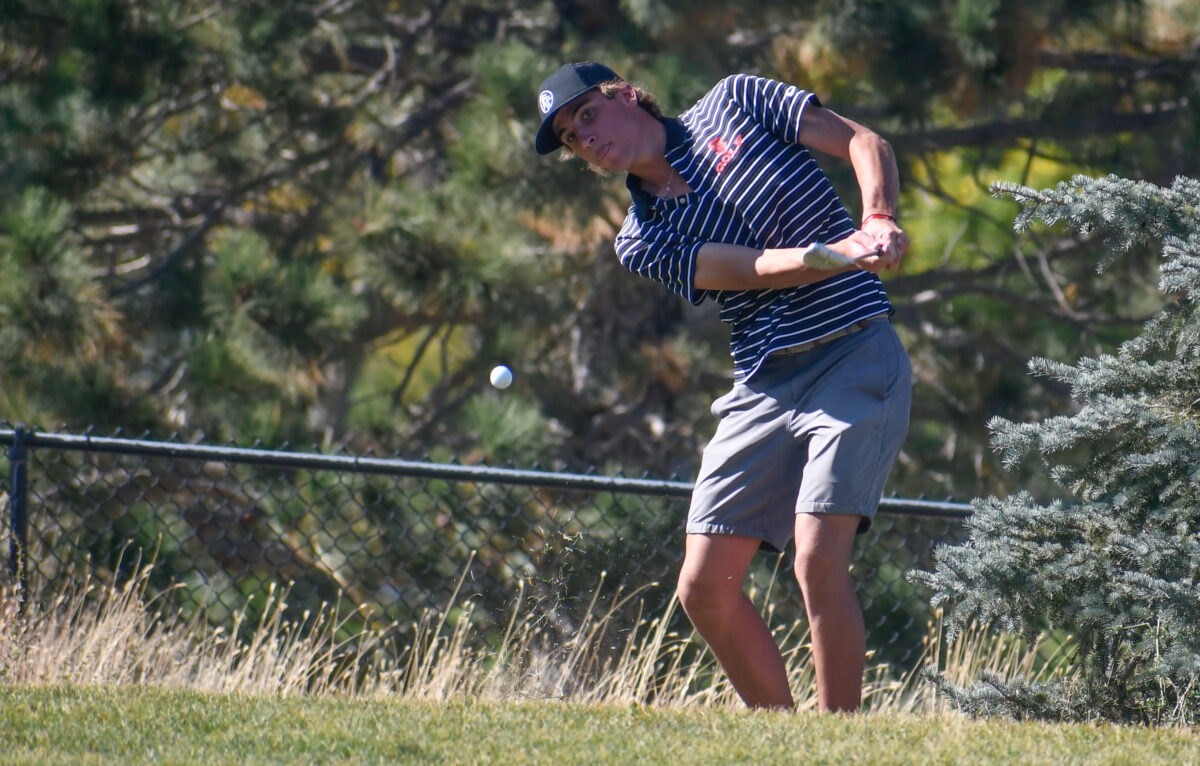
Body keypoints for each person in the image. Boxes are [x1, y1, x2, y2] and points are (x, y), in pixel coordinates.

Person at [533, 61, 911, 712]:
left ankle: (842, 743)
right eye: (571, 137)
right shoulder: (641, 237)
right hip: (763, 387)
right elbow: (754, 270)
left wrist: (876, 217)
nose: (585, 138)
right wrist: (836, 253)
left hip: (853, 354)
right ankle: (784, 740)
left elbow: (864, 142)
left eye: (588, 115)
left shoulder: (737, 102)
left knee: (817, 559)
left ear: (625, 94)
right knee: (704, 587)